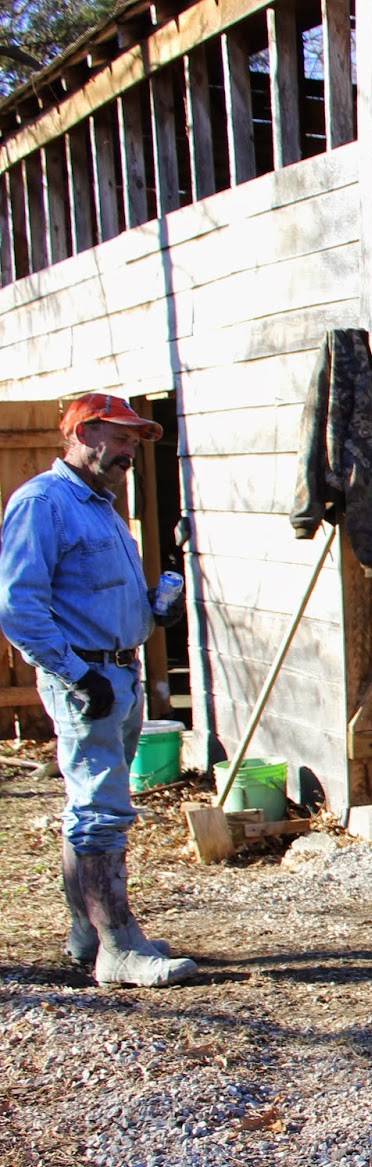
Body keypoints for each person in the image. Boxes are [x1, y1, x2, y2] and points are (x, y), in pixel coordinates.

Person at [0, 393, 197, 988]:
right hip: (87, 678)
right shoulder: (42, 503)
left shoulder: (103, 506)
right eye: (122, 439)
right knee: (100, 814)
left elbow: (92, 592)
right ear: (83, 433)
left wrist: (151, 610)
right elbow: (18, 606)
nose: (131, 453)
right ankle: (118, 946)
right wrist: (76, 674)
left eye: (136, 442)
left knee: (89, 809)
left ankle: (87, 934)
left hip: (117, 671)